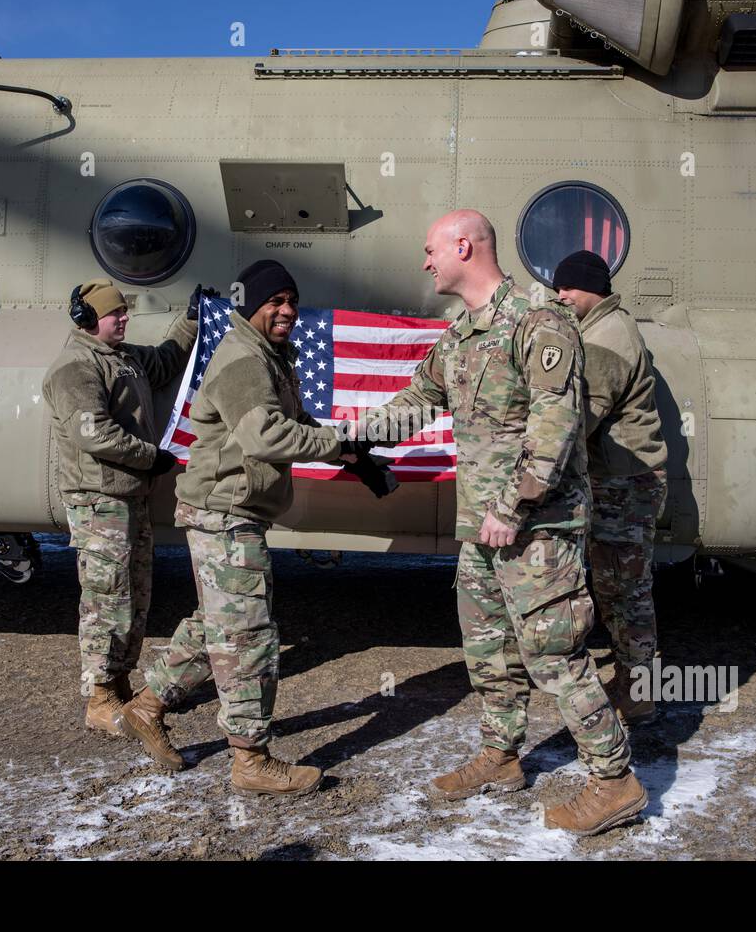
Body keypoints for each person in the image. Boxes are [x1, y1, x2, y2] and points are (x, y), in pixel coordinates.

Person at [356, 211, 647, 836]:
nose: (425, 261)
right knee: (489, 652)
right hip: (479, 532)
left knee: (556, 655)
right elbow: (417, 402)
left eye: (431, 249)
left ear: (464, 247)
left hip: (535, 528)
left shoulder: (540, 321)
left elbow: (557, 423)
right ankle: (501, 756)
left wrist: (513, 507)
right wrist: (348, 437)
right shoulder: (460, 336)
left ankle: (614, 779)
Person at [120, 260, 356, 795]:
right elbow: (265, 438)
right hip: (224, 514)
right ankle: (250, 758)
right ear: (251, 305)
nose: (288, 311)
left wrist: (352, 453)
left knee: (218, 623)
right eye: (276, 301)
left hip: (233, 510)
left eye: (292, 301)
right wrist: (337, 445)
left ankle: (147, 706)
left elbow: (297, 425)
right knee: (249, 633)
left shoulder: (270, 358)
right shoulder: (243, 358)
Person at [41, 278, 197, 736]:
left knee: (133, 596)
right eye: (115, 314)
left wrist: (192, 321)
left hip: (129, 498)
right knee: (105, 600)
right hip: (98, 502)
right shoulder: (75, 367)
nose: (124, 318)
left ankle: (120, 683)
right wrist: (154, 457)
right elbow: (94, 434)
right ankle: (99, 697)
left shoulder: (124, 359)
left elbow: (166, 361)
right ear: (87, 320)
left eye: (124, 311)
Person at [553, 251, 668, 726]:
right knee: (617, 586)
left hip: (625, 484)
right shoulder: (601, 328)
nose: (559, 296)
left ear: (590, 288)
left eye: (566, 289)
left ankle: (638, 693)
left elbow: (581, 417)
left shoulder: (607, 337)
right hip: (620, 481)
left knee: (624, 590)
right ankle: (631, 683)